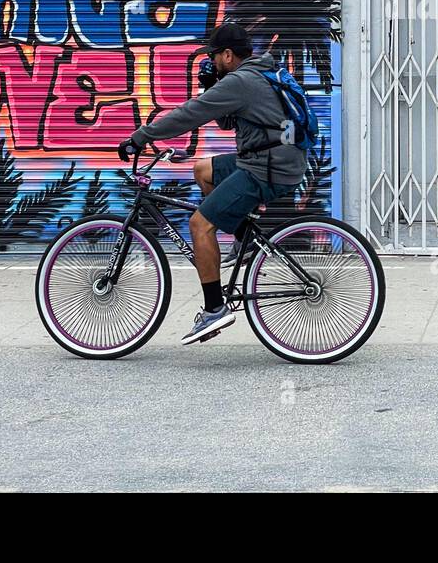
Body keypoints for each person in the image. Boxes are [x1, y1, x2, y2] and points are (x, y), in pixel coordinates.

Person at [119, 22, 308, 345]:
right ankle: (242, 237)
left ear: (229, 55)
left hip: (268, 166)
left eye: (215, 57)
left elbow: (191, 114)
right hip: (274, 159)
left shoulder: (242, 81)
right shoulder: (255, 74)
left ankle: (214, 309)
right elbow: (226, 121)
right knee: (203, 169)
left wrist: (142, 136)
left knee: (199, 225)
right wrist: (212, 85)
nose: (212, 61)